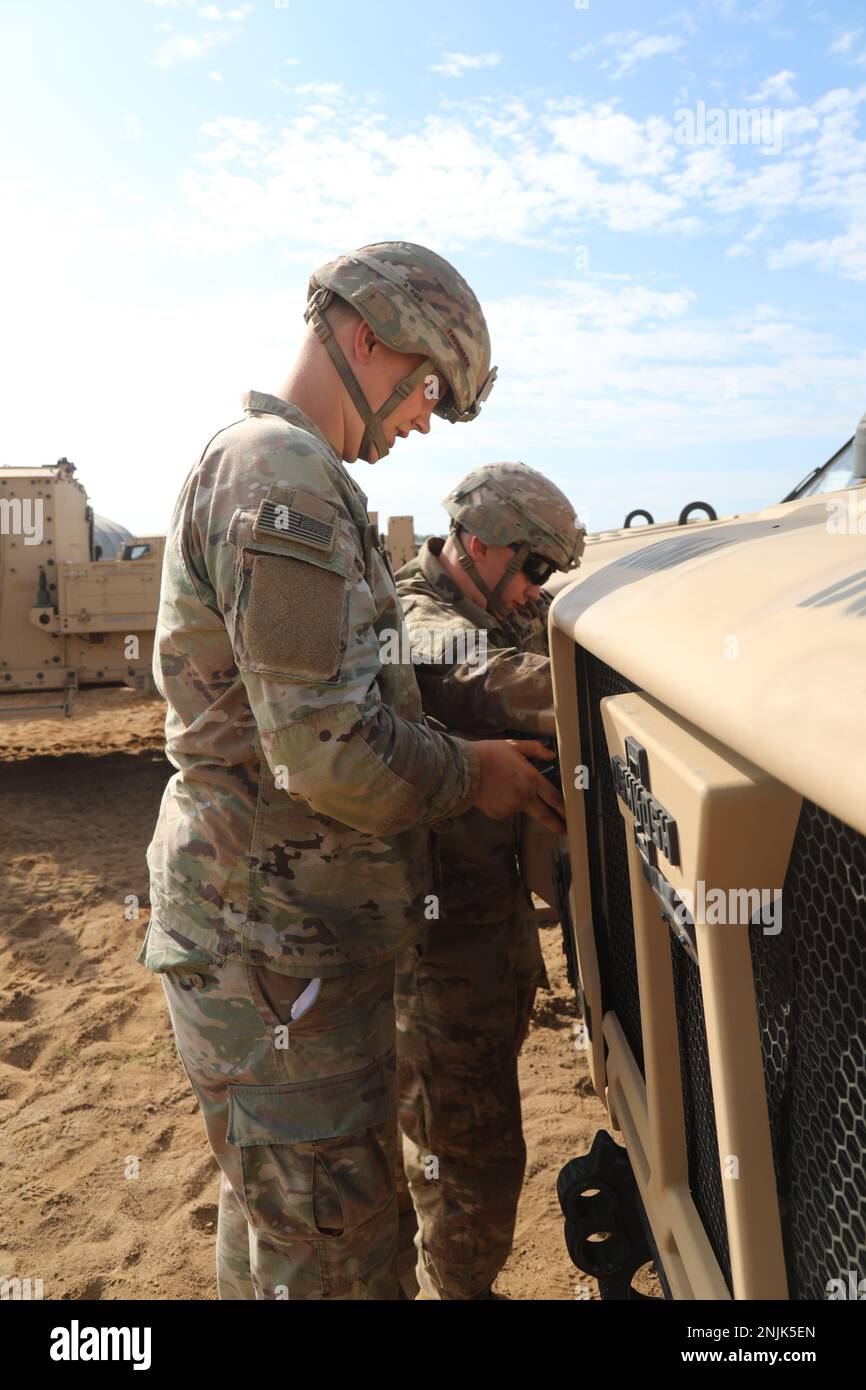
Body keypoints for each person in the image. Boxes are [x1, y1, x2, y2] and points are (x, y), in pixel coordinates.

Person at [137, 243, 566, 1301]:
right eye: (426, 388)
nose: (422, 419)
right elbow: (325, 747)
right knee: (336, 1254)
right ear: (364, 336)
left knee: (289, 1232)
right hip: (272, 945)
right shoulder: (278, 478)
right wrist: (473, 776)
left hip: (290, 944)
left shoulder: (294, 474)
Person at [394, 461, 584, 1300]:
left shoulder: (491, 598)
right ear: (478, 543)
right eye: (533, 567)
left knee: (471, 1136)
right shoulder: (423, 621)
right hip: (438, 951)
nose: (537, 590)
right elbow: (488, 681)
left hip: (486, 931)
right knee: (473, 1155)